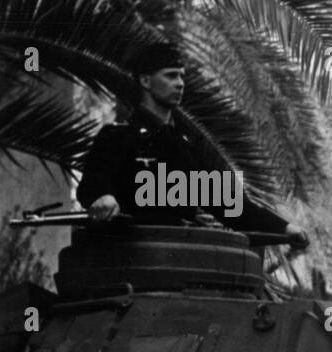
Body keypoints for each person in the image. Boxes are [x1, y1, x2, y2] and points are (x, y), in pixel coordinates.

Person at [75, 42, 305, 243]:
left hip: (181, 255)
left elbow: (229, 204)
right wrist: (103, 197)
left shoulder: (186, 144)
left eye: (182, 76)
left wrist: (284, 227)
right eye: (171, 75)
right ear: (145, 80)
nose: (180, 83)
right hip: (130, 256)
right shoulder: (117, 136)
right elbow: (92, 185)